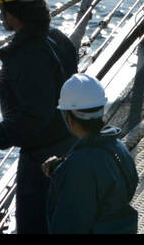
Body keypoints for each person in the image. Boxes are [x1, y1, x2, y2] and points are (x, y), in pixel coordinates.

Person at [0, 0, 79, 234]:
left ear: (14, 13)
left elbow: (35, 113)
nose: (1, 15)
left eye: (2, 9)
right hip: (71, 142)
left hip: (42, 158)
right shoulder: (58, 38)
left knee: (35, 226)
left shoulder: (25, 56)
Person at [43, 74, 138, 234]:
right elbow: (122, 184)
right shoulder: (116, 145)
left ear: (69, 118)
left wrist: (66, 174)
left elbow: (68, 226)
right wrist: (60, 168)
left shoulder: (79, 166)